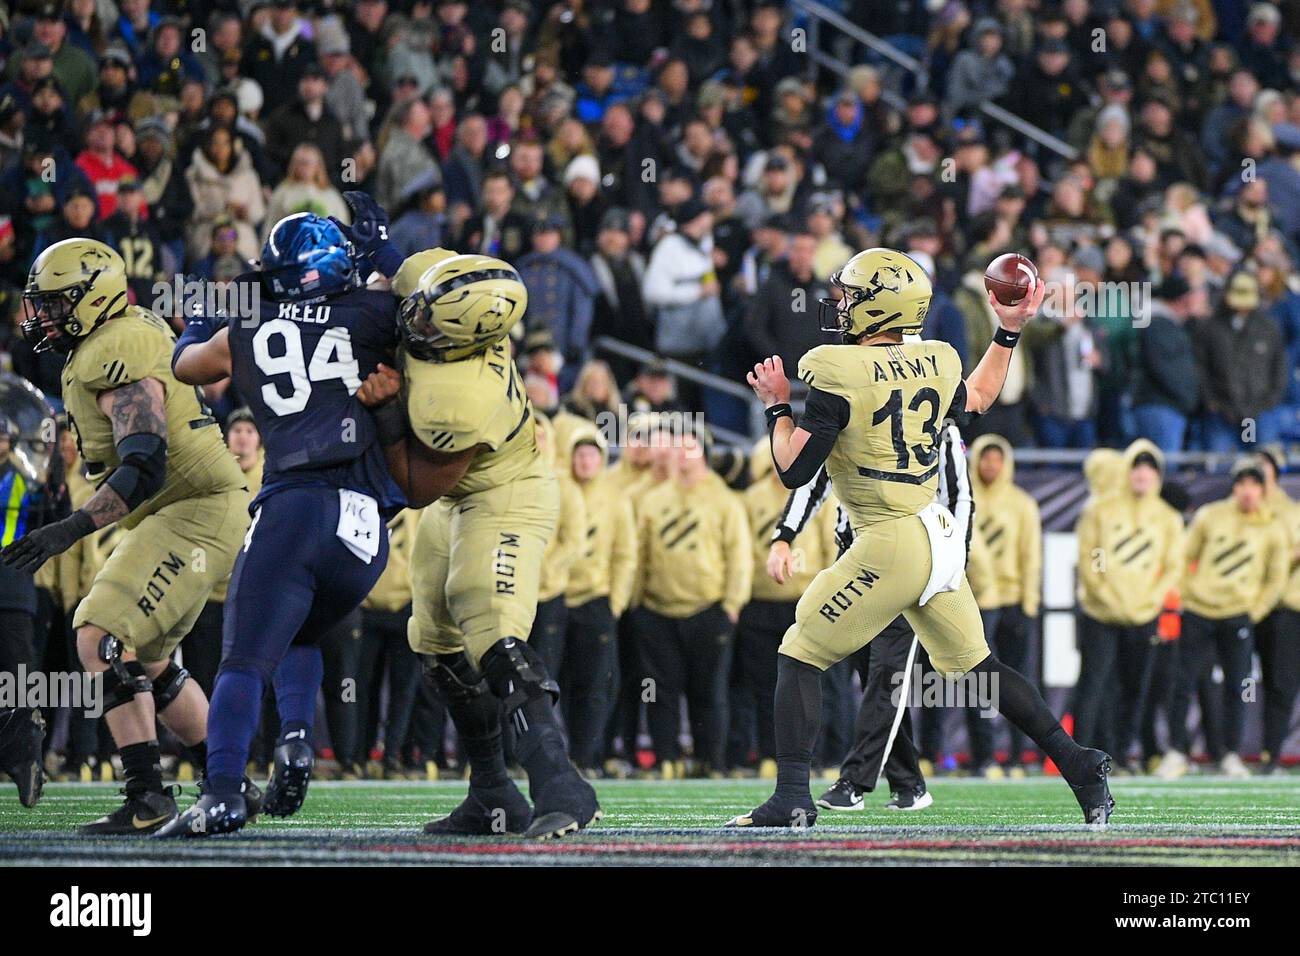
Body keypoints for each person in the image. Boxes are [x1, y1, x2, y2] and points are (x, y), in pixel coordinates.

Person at [730, 247, 1112, 828]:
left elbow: (792, 469)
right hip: (936, 534)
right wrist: (1007, 332)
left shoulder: (834, 368)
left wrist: (777, 406)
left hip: (888, 539)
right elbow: (980, 397)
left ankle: (790, 797)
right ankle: (1080, 765)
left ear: (880, 307)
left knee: (800, 652)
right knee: (979, 670)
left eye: (852, 296)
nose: (842, 305)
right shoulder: (935, 359)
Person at [161, 206, 404, 836]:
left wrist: (227, 303)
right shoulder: (378, 312)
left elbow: (185, 361)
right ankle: (296, 737)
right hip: (365, 525)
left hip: (293, 504)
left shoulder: (249, 320)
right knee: (299, 632)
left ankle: (220, 793)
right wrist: (384, 254)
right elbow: (433, 304)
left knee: (242, 660)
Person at [2, 239, 252, 835]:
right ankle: (231, 783)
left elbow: (145, 466)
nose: (46, 316)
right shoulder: (117, 331)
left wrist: (69, 527)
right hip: (188, 509)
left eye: (59, 304)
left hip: (193, 507)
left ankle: (147, 797)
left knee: (97, 635)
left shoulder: (114, 347)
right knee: (153, 658)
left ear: (95, 298)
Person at [356, 242, 601, 840]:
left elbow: (416, 485)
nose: (414, 320)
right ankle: (492, 791)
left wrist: (388, 415)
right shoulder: (444, 287)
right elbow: (402, 267)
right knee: (433, 641)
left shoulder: (459, 397)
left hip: (502, 492)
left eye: (430, 324)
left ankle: (561, 783)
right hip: (459, 496)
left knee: (490, 627)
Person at [630, 425, 751, 777]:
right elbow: (640, 554)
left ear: (704, 454)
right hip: (657, 610)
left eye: (690, 448)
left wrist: (731, 604)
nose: (682, 455)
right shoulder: (653, 499)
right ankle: (666, 758)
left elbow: (739, 556)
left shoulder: (723, 499)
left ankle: (710, 760)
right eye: (678, 449)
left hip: (708, 608)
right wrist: (636, 603)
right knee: (658, 691)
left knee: (709, 692)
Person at [1158, 456, 1288, 780]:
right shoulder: (1211, 516)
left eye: (1254, 485)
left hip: (1237, 615)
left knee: (1237, 686)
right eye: (1242, 484)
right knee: (1182, 683)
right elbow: (1184, 556)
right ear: (1234, 487)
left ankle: (1230, 753)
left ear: (1263, 490)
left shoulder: (1272, 527)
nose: (1247, 491)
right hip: (1200, 610)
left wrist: (1252, 611)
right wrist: (1187, 595)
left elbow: (1276, 577)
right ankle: (1176, 751)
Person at [1072, 440, 1185, 764]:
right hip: (1101, 612)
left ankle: (1120, 753)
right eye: (1137, 466)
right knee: (1094, 685)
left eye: (1149, 468)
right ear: (1127, 470)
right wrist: (1104, 592)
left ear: (1158, 475)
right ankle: (1077, 756)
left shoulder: (1167, 518)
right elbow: (1092, 556)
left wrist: (1150, 598)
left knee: (1134, 688)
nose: (1142, 474)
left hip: (1143, 613)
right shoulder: (1101, 509)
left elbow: (1173, 565)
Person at [562, 427, 637, 774]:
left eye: (592, 454)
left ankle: (587, 756)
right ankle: (559, 756)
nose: (585, 461)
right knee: (557, 681)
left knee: (596, 685)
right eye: (580, 454)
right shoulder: (557, 493)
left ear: (601, 459)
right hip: (557, 597)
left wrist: (615, 602)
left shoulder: (615, 499)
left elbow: (625, 554)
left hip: (596, 599)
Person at [967, 433, 1042, 774]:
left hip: (1012, 601)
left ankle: (1016, 756)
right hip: (975, 600)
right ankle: (984, 756)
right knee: (979, 683)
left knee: (1018, 682)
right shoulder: (964, 497)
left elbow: (1032, 556)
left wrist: (1029, 602)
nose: (991, 465)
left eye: (997, 459)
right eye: (986, 458)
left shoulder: (1022, 503)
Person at [1254, 448, 1300, 774]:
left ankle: (1271, 752)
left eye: (1265, 466)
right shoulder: (1233, 511)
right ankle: (1257, 752)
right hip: (1251, 606)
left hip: (1285, 606)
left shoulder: (1289, 511)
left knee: (1280, 681)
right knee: (1265, 681)